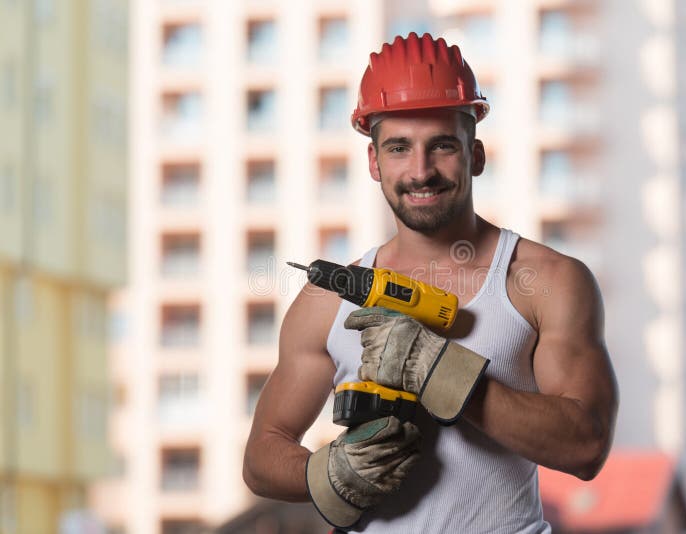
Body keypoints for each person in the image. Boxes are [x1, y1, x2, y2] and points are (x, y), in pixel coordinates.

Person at [243, 32, 618, 533]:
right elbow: (261, 457)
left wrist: (442, 371)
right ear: (375, 162)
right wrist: (326, 474)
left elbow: (587, 447)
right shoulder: (327, 301)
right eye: (399, 147)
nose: (420, 172)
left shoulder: (543, 281)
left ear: (475, 155)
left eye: (441, 145)